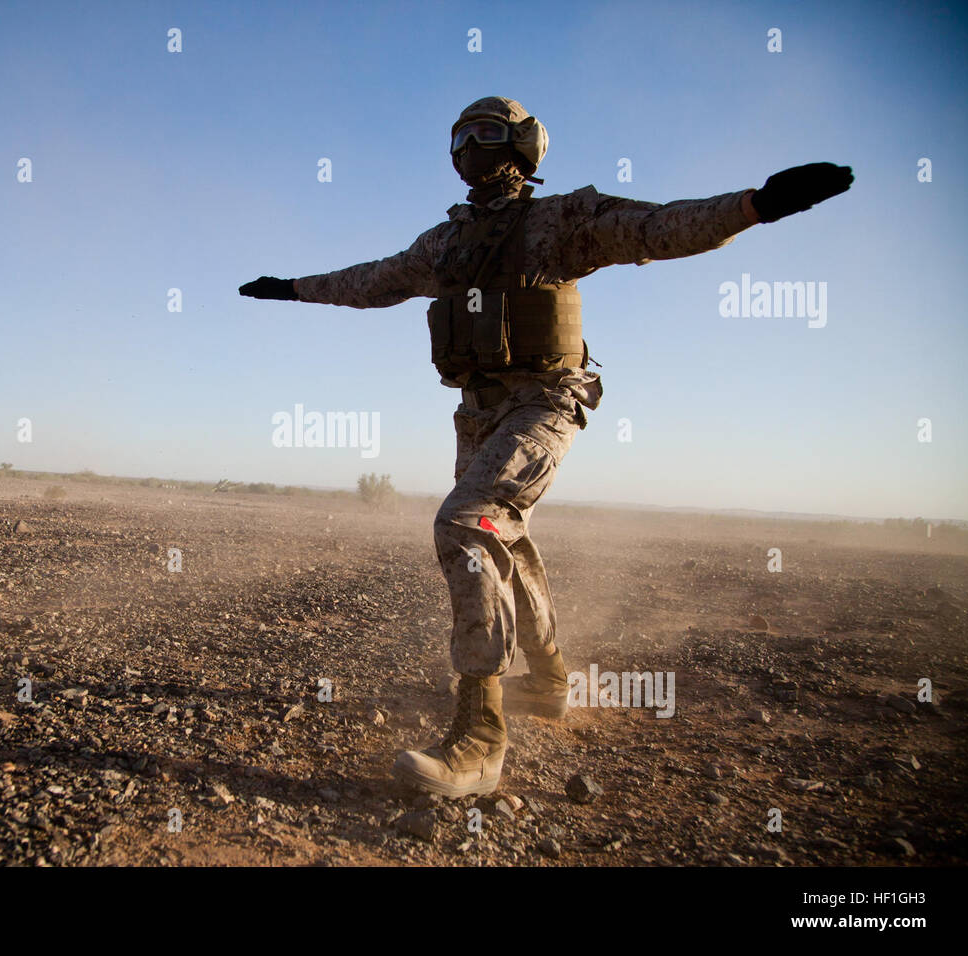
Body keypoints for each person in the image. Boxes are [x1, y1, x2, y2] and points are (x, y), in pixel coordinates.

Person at [239, 96, 852, 797]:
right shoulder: (444, 243)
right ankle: (551, 679)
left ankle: (479, 740)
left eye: (489, 132)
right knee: (506, 535)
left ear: (524, 145)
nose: (473, 145)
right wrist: (291, 289)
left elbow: (656, 228)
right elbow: (370, 282)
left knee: (467, 524)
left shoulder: (558, 222)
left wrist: (754, 206)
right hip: (477, 416)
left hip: (545, 403)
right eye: (461, 135)